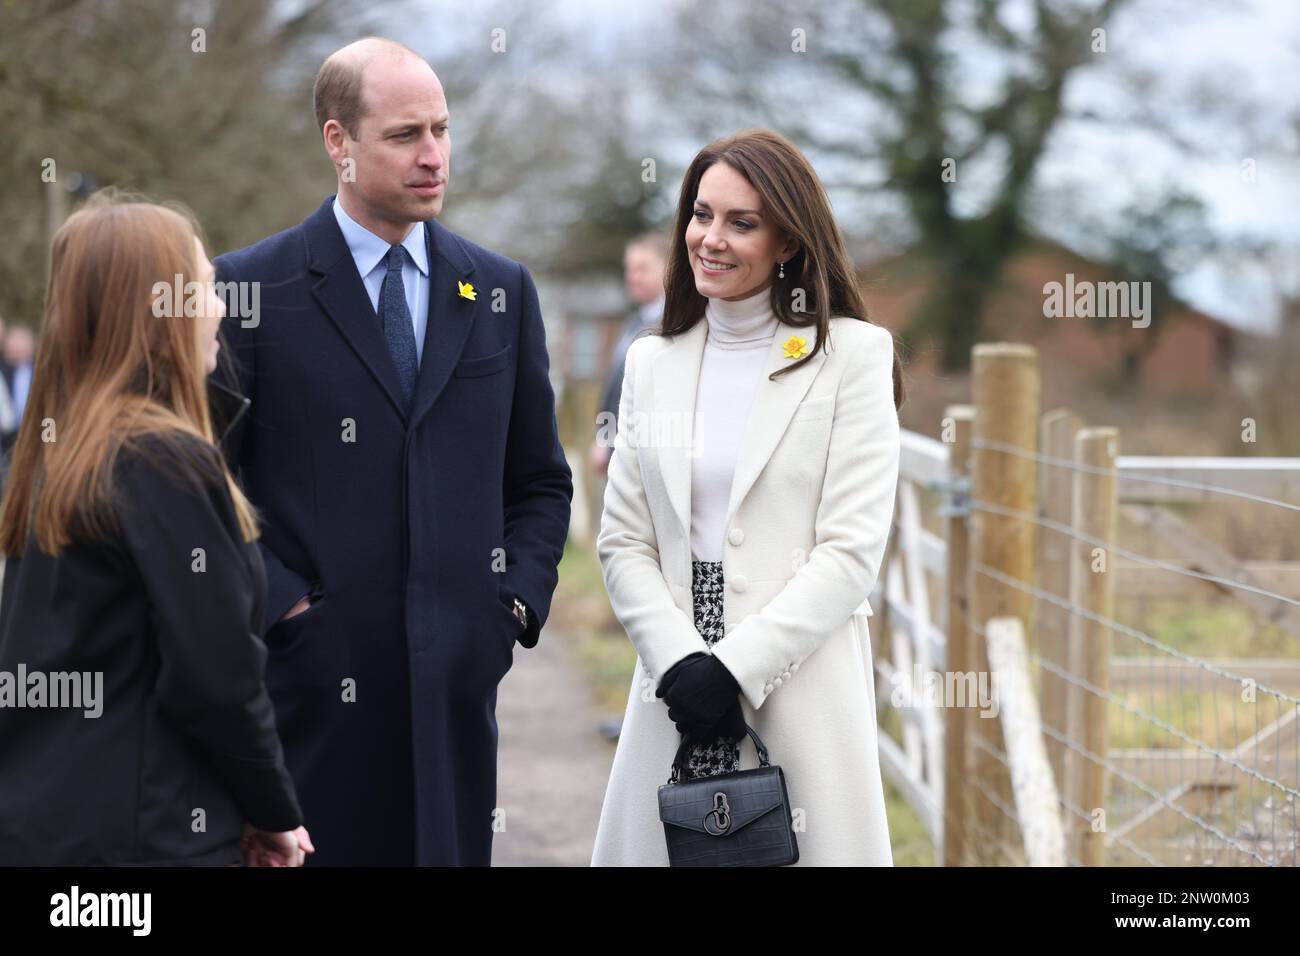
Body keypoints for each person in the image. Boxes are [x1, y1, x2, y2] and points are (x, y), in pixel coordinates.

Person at [213, 37, 572, 866]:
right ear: (338, 142)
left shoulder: (500, 291)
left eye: (442, 130)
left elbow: (540, 482)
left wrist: (511, 605)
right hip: (307, 705)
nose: (434, 156)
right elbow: (208, 488)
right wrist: (287, 613)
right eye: (406, 135)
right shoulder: (250, 291)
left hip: (455, 698)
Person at [591, 129, 905, 866]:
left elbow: (850, 550)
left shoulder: (853, 356)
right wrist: (680, 665)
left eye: (742, 222)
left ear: (789, 241)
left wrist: (733, 669)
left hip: (797, 688)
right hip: (673, 688)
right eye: (701, 215)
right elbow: (624, 541)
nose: (711, 238)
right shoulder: (650, 362)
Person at [0, 192, 309, 866]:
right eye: (202, 290)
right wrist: (271, 810)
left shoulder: (56, 451)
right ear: (154, 313)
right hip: (146, 841)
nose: (221, 309)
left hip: (47, 832)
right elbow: (217, 680)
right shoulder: (161, 461)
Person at [589, 233, 668, 478]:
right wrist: (604, 440)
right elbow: (615, 389)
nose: (632, 277)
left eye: (642, 268)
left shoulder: (675, 326)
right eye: (629, 269)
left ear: (668, 269)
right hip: (619, 456)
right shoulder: (634, 322)